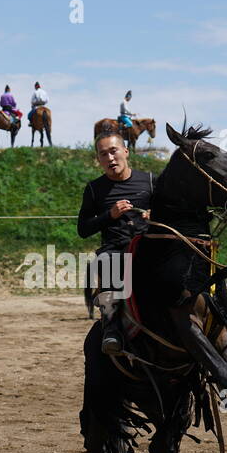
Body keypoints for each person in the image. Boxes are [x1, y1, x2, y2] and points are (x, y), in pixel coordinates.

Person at [78, 130, 154, 355]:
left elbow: (171, 212)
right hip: (115, 250)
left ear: (126, 152)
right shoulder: (94, 189)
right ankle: (111, 328)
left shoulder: (149, 180)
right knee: (107, 260)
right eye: (103, 155)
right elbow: (83, 230)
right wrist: (108, 215)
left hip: (148, 246)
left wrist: (156, 215)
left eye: (114, 151)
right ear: (98, 160)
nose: (110, 158)